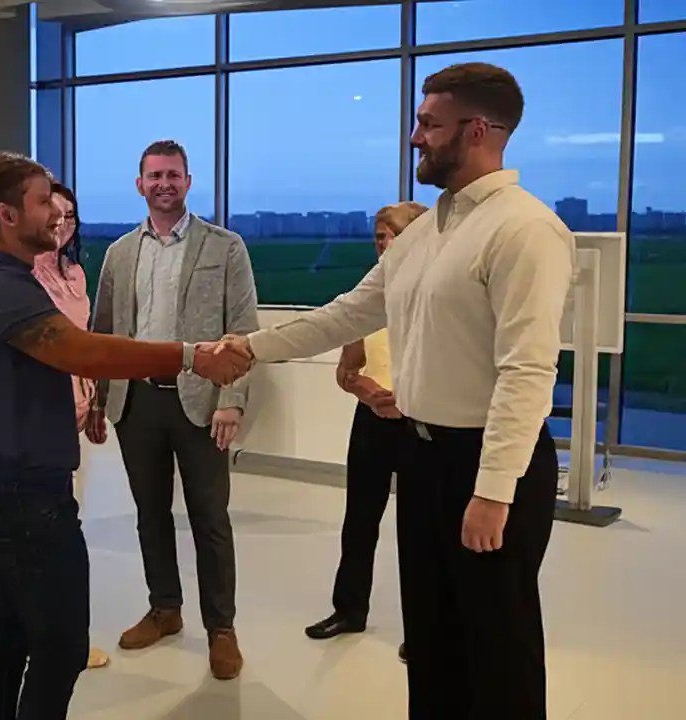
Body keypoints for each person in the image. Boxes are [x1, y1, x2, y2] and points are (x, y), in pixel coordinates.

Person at [217, 62, 574, 719]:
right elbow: (347, 313)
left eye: (428, 123)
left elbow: (527, 371)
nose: (415, 137)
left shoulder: (525, 229)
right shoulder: (427, 232)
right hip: (423, 454)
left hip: (489, 463)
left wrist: (493, 491)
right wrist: (250, 348)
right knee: (432, 637)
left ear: (477, 131)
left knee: (499, 644)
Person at [0, 151, 250, 720]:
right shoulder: (1, 286)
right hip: (26, 499)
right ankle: (164, 606)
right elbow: (85, 348)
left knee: (13, 627)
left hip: (6, 489)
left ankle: (219, 626)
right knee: (61, 646)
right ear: (6, 215)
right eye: (43, 202)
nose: (57, 214)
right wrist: (191, 356)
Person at [89, 139, 259, 681]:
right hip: (136, 402)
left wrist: (232, 401)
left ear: (189, 182)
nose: (164, 183)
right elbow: (103, 333)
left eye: (173, 175)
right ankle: (164, 608)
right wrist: (99, 397)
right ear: (139, 184)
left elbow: (243, 330)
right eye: (155, 175)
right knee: (150, 514)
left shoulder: (225, 247)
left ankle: (221, 629)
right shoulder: (119, 253)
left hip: (202, 403)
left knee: (211, 519)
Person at [303, 201, 427, 667]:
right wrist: (366, 390)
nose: (384, 244)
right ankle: (349, 609)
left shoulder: (436, 299)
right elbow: (346, 371)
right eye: (378, 237)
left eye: (393, 235)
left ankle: (425, 629)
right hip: (373, 421)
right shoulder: (366, 300)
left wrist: (408, 399)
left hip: (421, 425)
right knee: (359, 520)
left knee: (420, 530)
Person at [31, 180, 110, 671]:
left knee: (65, 523)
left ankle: (64, 636)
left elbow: (85, 340)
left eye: (70, 216)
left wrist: (95, 401)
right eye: (53, 214)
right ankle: (53, 640)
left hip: (74, 413)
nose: (61, 224)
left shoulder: (74, 273)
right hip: (39, 416)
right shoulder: (24, 276)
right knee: (46, 533)